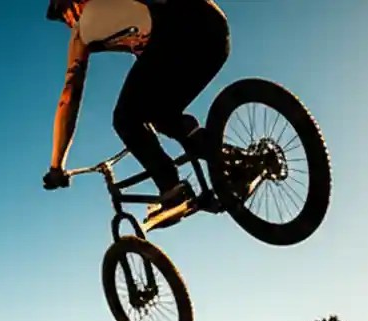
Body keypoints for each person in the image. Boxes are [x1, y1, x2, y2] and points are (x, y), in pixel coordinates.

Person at [42, 0, 231, 228]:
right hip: (213, 29)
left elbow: (69, 97)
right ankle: (225, 161)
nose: (68, 24)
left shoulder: (81, 32)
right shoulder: (120, 19)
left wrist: (56, 166)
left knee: (126, 118)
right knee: (161, 114)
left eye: (65, 17)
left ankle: (172, 189)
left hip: (176, 29)